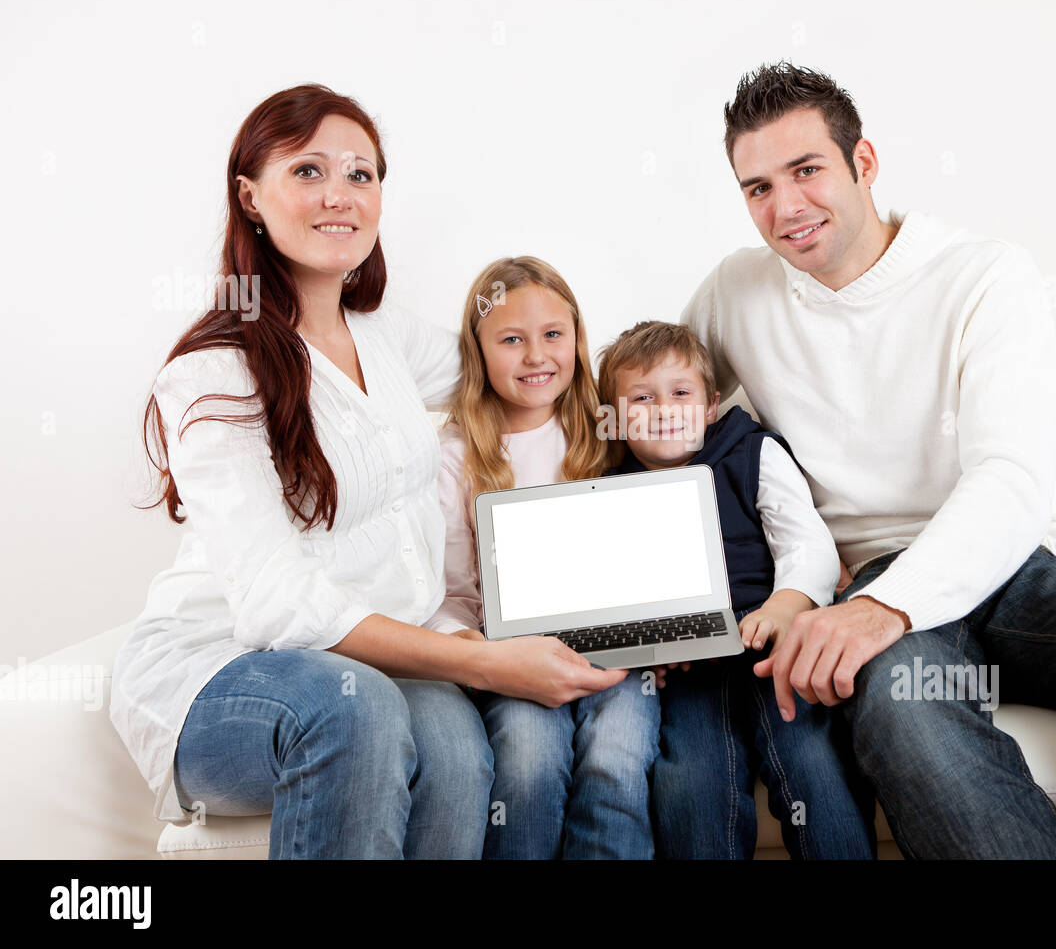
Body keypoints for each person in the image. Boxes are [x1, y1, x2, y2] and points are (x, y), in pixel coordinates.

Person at [680, 62, 1056, 859]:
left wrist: (882, 611)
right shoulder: (734, 292)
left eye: (806, 171)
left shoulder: (983, 274)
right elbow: (663, 421)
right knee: (902, 701)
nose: (785, 208)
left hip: (1016, 565)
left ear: (864, 162)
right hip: (867, 572)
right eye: (757, 188)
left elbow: (1011, 480)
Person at [109, 85, 622, 859]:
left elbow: (521, 367)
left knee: (455, 748)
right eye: (308, 172)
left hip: (375, 664)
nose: (339, 196)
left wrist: (660, 403)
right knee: (359, 714)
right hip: (222, 677)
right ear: (250, 197)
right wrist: (484, 660)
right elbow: (277, 607)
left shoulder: (385, 339)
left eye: (361, 174)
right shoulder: (214, 372)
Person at [594, 320, 876, 859]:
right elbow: (618, 591)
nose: (664, 409)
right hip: (691, 666)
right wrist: (646, 646)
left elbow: (807, 545)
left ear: (709, 405)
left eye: (681, 393)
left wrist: (785, 605)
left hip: (775, 645)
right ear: (612, 417)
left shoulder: (751, 452)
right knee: (692, 785)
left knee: (814, 766)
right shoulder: (613, 487)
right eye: (641, 398)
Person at [430, 256, 659, 859]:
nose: (536, 356)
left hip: (616, 647)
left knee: (617, 762)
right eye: (511, 340)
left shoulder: (610, 428)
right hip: (511, 656)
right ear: (478, 351)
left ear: (578, 339)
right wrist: (487, 658)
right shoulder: (455, 456)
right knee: (530, 762)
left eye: (553, 335)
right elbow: (450, 596)